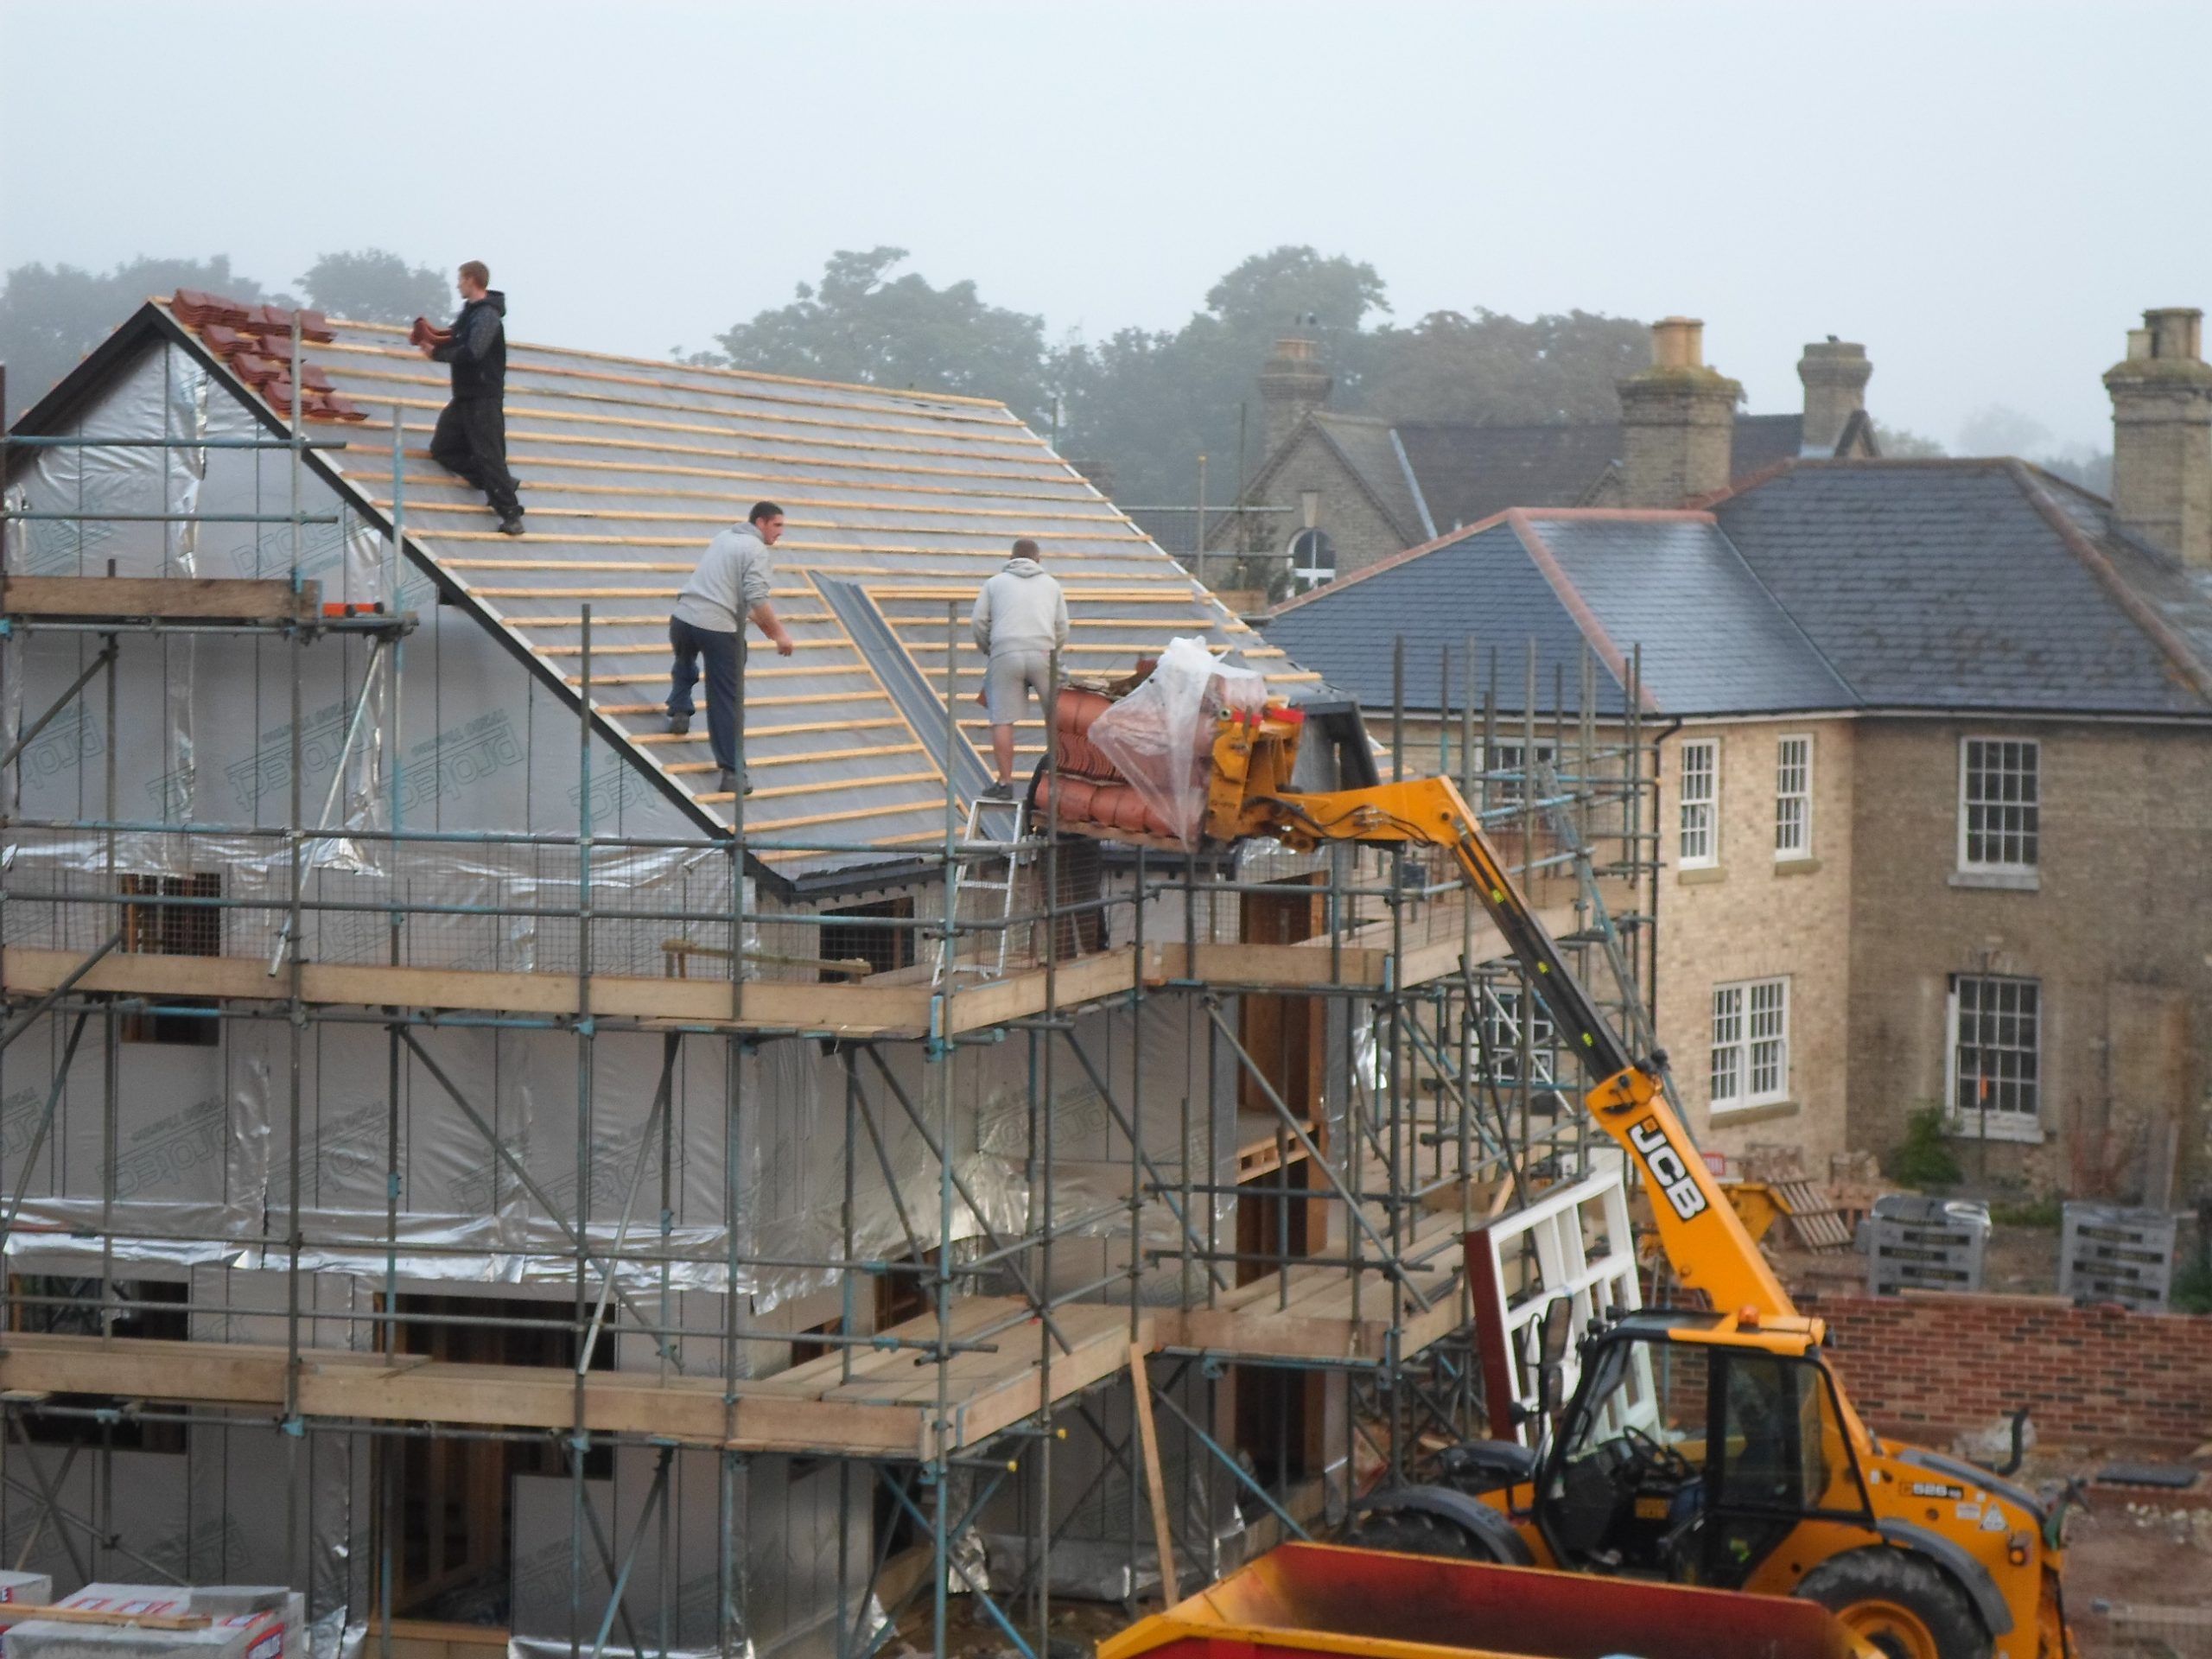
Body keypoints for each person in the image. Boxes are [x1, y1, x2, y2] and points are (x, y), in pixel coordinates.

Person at [668, 501, 796, 797]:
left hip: (683, 618)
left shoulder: (723, 538)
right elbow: (758, 598)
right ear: (761, 523)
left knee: (685, 655)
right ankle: (732, 772)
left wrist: (754, 620)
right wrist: (778, 635)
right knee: (726, 698)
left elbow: (722, 591)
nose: (780, 533)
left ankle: (679, 710)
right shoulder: (756, 551)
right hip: (717, 629)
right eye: (777, 526)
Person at [419, 261, 524, 536]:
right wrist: (431, 338)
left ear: (471, 280)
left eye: (460, 280)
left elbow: (473, 351)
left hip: (483, 398)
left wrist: (437, 355)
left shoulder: (487, 315)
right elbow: (456, 340)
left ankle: (511, 515)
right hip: (465, 396)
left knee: (489, 456)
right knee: (442, 449)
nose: (458, 285)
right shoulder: (471, 313)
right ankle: (497, 482)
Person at [969, 537, 1068, 802]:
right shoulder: (1052, 585)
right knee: (1057, 718)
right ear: (1039, 560)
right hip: (1043, 651)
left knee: (1002, 718)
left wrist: (991, 649)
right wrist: (1053, 653)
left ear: (1010, 558)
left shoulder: (995, 583)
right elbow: (1062, 626)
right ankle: (1060, 779)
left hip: (1005, 650)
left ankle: (1005, 783)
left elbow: (978, 621)